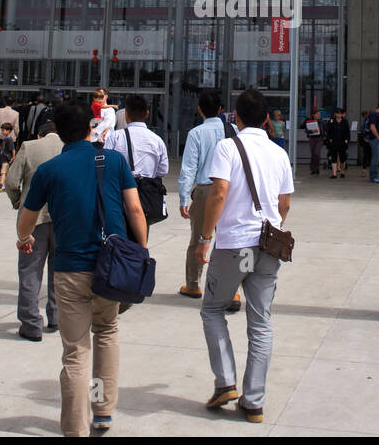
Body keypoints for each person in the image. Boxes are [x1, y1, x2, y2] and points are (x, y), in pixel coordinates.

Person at [15, 102, 147, 436]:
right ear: (91, 128)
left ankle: (75, 429)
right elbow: (134, 207)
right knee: (107, 331)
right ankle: (102, 412)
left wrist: (24, 238)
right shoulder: (114, 161)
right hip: (111, 265)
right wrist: (141, 249)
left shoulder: (50, 170)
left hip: (71, 268)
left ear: (58, 133)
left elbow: (26, 219)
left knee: (75, 352)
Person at [197, 88, 293, 423]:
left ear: (234, 117)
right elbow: (284, 204)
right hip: (268, 247)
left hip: (235, 246)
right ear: (267, 118)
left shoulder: (228, 147)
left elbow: (219, 192)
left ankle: (225, 382)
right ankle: (254, 401)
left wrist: (204, 238)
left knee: (212, 309)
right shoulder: (278, 153)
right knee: (261, 321)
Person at [177, 90, 239, 310]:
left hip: (204, 190)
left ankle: (193, 285)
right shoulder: (233, 131)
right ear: (221, 109)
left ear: (199, 109)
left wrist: (184, 197)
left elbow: (189, 167)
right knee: (229, 240)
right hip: (230, 190)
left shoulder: (196, 133)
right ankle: (232, 292)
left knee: (198, 239)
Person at [4, 119, 63, 341]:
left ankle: (31, 324)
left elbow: (10, 181)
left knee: (30, 272)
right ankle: (56, 317)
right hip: (62, 220)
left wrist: (18, 201)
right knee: (59, 271)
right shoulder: (68, 148)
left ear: (40, 135)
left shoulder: (29, 147)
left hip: (33, 219)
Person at [104, 94, 169, 229]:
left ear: (126, 115)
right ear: (147, 114)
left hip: (119, 197)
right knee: (142, 234)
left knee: (120, 236)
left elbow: (105, 166)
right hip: (147, 197)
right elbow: (163, 171)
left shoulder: (115, 137)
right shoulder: (157, 140)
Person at [0, 123, 17, 193]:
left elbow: (12, 149)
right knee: (7, 173)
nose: (3, 132)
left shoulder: (9, 139)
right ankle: (8, 186)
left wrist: (13, 156)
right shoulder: (6, 139)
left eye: (4, 130)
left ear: (8, 131)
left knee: (3, 172)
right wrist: (0, 148)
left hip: (6, 159)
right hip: (5, 158)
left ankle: (0, 185)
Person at [325, 107, 348, 178]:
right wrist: (330, 139)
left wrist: (346, 140)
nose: (339, 114)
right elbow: (328, 131)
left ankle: (342, 172)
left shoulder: (345, 122)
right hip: (334, 142)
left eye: (340, 113)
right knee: (334, 158)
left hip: (342, 142)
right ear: (335, 114)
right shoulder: (331, 121)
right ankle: (334, 174)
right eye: (337, 113)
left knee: (342, 158)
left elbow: (347, 132)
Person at [305, 108, 322, 175]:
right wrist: (312, 131)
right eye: (317, 114)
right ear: (313, 115)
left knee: (316, 153)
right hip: (312, 138)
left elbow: (324, 129)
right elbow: (306, 131)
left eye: (319, 114)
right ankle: (313, 169)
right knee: (313, 154)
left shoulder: (321, 122)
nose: (319, 115)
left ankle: (317, 167)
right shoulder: (309, 121)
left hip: (319, 138)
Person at [357, 109, 370, 177]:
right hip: (366, 140)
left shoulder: (366, 121)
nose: (364, 117)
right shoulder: (365, 121)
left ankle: (365, 170)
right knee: (367, 155)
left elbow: (364, 130)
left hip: (367, 139)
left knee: (366, 155)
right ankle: (365, 170)